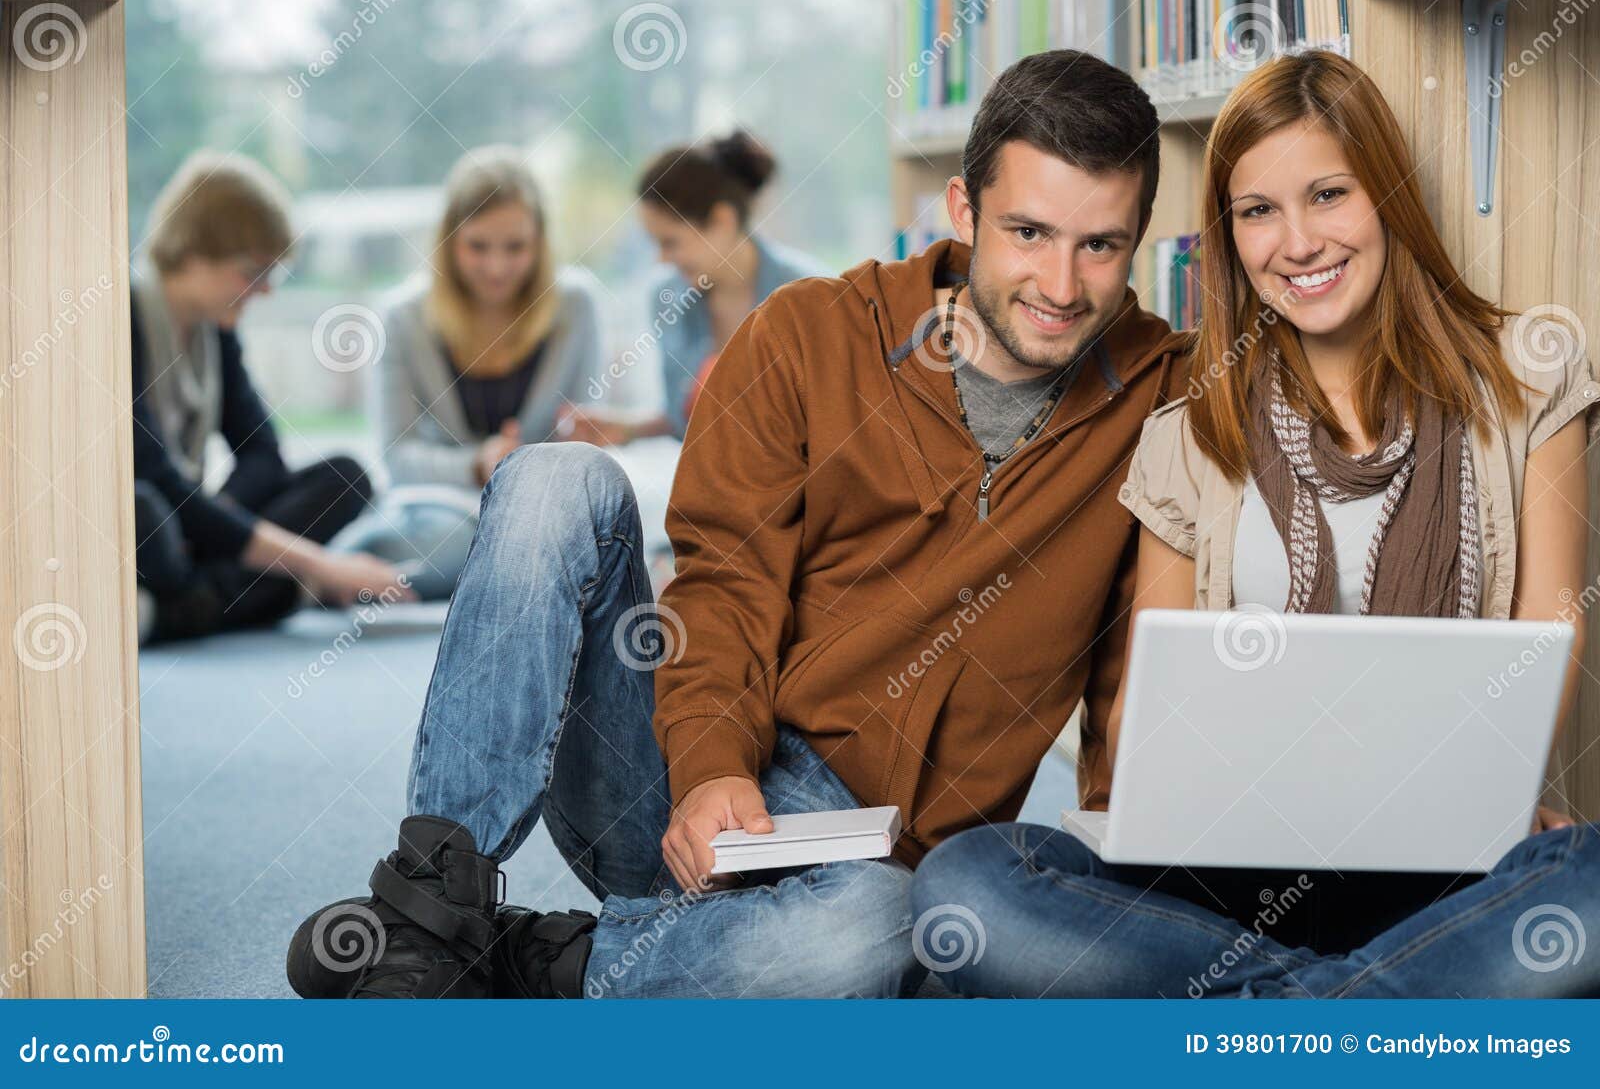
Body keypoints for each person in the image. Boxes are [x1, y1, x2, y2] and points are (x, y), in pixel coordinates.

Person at [283, 49, 1188, 999]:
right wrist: (714, 761)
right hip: (676, 784)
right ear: (962, 211)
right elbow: (723, 577)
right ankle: (435, 902)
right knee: (554, 478)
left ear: (1139, 239)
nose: (1061, 282)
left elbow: (1138, 677)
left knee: (881, 928)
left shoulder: (1163, 401)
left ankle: (537, 961)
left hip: (866, 873)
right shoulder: (807, 333)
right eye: (1029, 232)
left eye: (1102, 245)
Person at [910, 50, 1600, 999]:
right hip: (1225, 885)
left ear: (1386, 195)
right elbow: (1167, 695)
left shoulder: (1528, 378)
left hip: (1447, 868)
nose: (1299, 242)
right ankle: (1350, 1013)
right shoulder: (1187, 432)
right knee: (970, 884)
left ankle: (1258, 1023)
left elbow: (1551, 621)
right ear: (1228, 234)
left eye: (1328, 194)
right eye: (1258, 212)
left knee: (1590, 871)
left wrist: (1497, 787)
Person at [131, 152, 414, 644]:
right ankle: (264, 592)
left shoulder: (214, 328)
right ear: (194, 251)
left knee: (346, 476)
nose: (263, 292)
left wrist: (219, 521)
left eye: (272, 275)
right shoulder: (125, 317)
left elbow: (262, 453)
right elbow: (157, 480)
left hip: (191, 532)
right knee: (146, 508)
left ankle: (190, 606)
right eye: (253, 272)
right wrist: (321, 564)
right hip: (153, 529)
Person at [559, 129, 820, 445]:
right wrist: (626, 428)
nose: (662, 259)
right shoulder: (667, 297)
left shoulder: (810, 294)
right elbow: (683, 418)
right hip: (705, 485)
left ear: (722, 221)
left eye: (670, 242)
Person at [374, 146, 603, 489]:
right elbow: (397, 458)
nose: (496, 269)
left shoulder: (576, 304)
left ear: (540, 244)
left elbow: (584, 436)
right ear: (449, 242)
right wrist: (478, 466)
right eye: (478, 246)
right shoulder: (402, 317)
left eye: (515, 247)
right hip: (442, 505)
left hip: (545, 501)